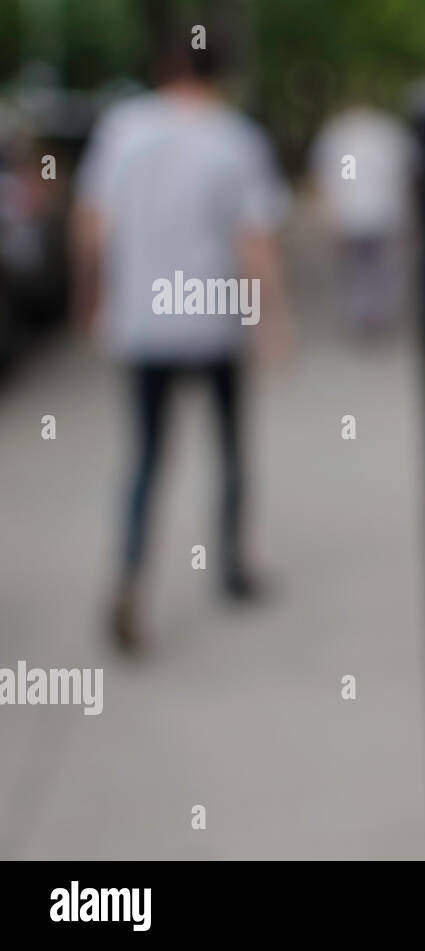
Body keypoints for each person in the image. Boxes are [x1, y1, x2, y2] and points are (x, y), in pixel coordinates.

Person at [70, 24, 289, 651]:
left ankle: (131, 577)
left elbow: (91, 223)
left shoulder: (123, 129)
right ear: (218, 73)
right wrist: (270, 322)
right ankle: (230, 569)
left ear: (166, 67)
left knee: (144, 456)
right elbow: (254, 241)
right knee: (229, 448)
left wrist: (87, 297)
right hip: (212, 319)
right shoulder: (235, 138)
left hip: (141, 320)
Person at [308, 103, 418, 332]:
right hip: (383, 213)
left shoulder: (336, 132)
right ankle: (377, 315)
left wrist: (325, 212)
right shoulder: (390, 131)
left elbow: (323, 177)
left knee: (354, 267)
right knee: (379, 267)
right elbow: (408, 173)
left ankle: (361, 316)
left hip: (351, 214)